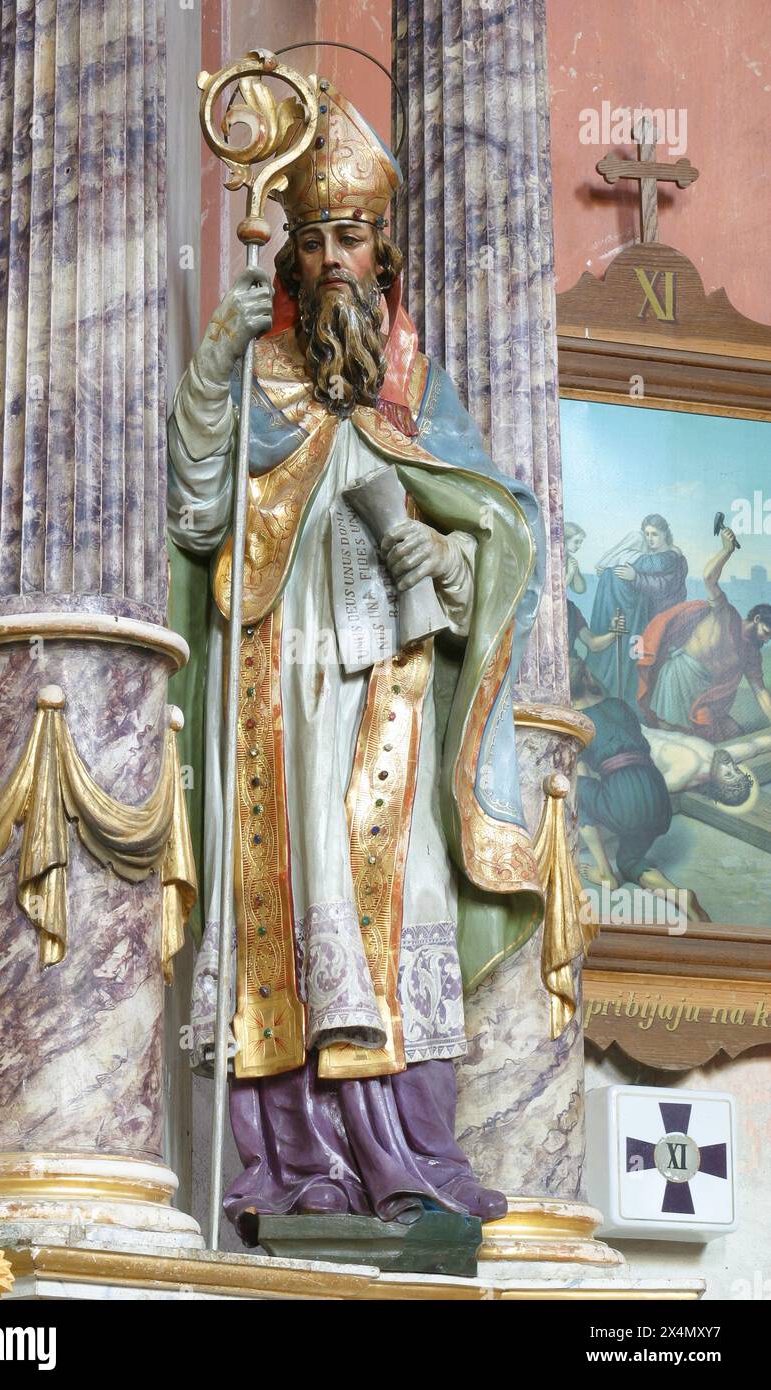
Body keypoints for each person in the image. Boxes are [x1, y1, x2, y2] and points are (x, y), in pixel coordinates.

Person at [167, 79, 544, 1234]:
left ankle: (410, 1152)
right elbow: (193, 513)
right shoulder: (256, 372)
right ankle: (293, 1167)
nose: (335, 258)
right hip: (276, 683)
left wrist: (438, 541)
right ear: (293, 250)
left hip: (392, 682)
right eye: (317, 237)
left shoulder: (417, 385)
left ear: (385, 250)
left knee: (399, 892)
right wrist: (217, 355)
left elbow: (498, 519)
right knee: (292, 895)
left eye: (355, 237)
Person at [571, 660, 709, 921]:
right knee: (630, 861)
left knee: (574, 788)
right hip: (657, 798)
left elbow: (583, 773)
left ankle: (605, 872)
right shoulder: (618, 705)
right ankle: (680, 895)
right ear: (588, 677)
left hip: (626, 801)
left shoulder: (576, 723)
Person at [638, 526, 771, 743]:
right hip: (681, 678)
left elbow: (759, 690)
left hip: (704, 697)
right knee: (676, 738)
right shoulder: (726, 614)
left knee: (731, 735)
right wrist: (726, 550)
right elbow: (709, 578)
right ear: (757, 620)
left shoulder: (752, 653)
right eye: (766, 632)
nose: (766, 639)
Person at [586, 513, 687, 708]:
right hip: (644, 620)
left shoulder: (674, 558)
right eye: (647, 534)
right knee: (635, 662)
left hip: (663, 619)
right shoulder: (651, 556)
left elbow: (662, 586)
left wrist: (635, 578)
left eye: (655, 534)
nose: (650, 539)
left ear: (666, 534)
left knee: (651, 667)